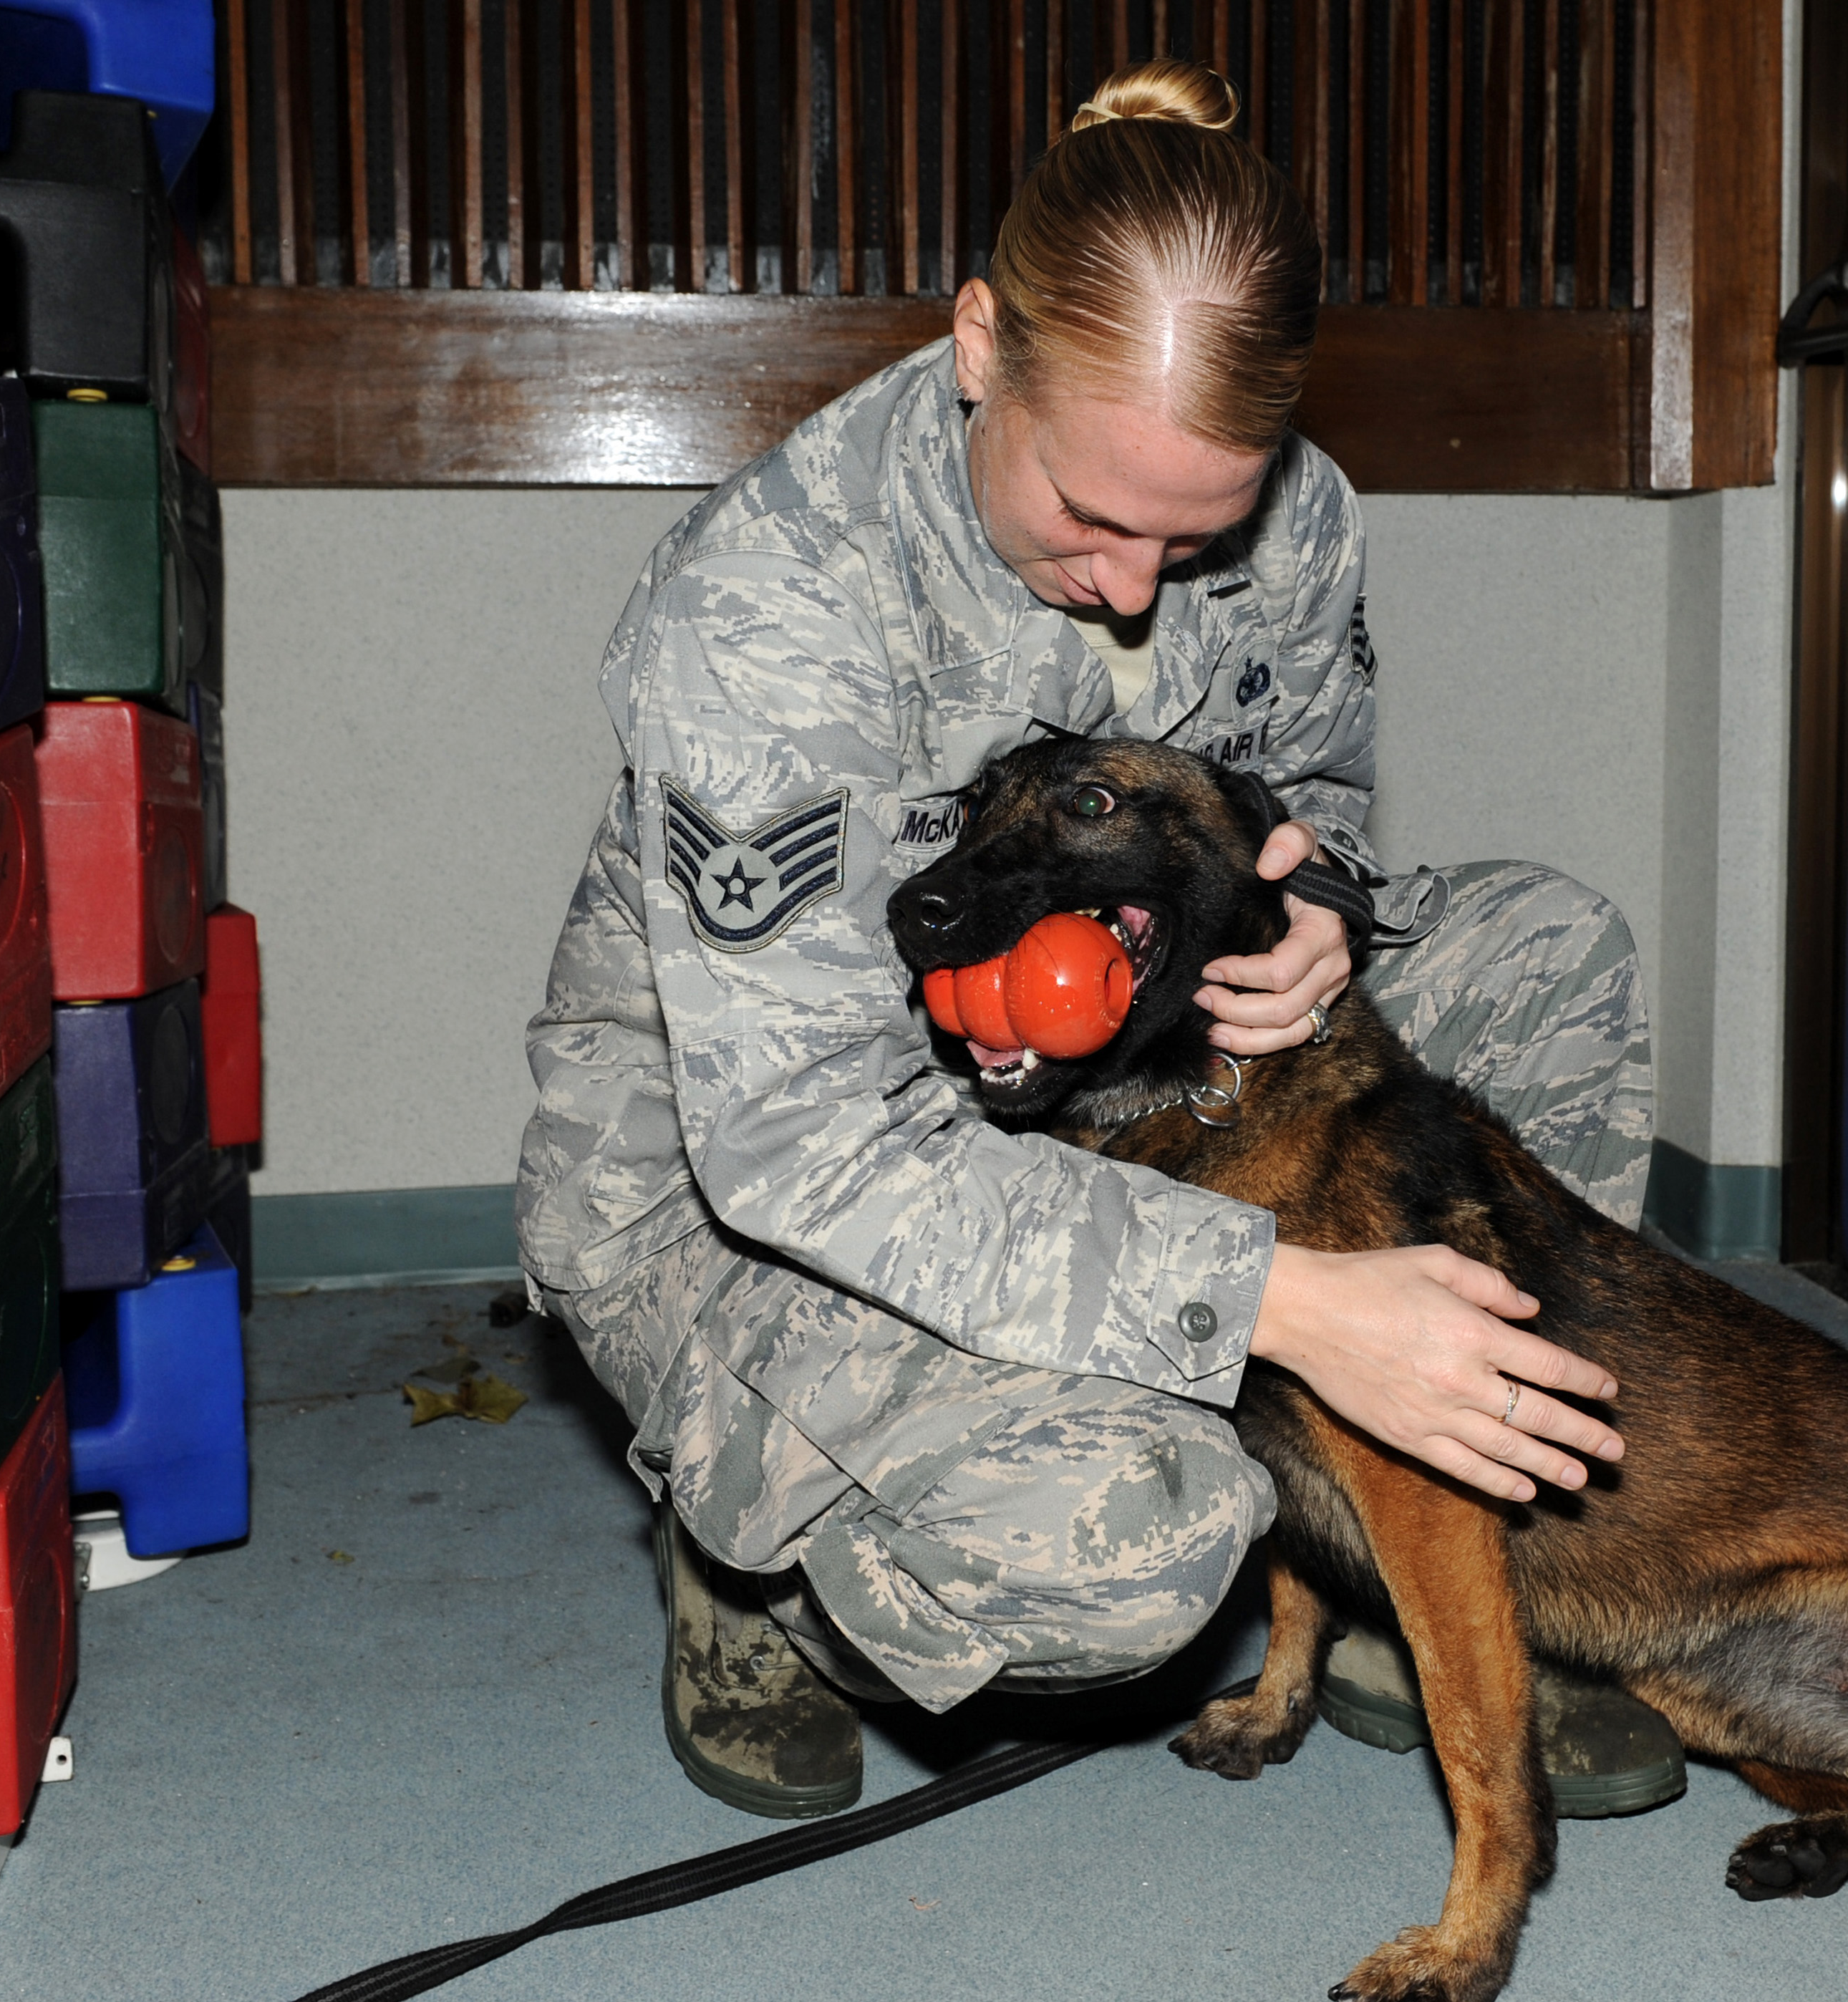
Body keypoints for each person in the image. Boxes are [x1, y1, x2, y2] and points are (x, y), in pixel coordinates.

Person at [516, 58, 1673, 1822]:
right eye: (1092, 516)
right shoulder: (773, 605)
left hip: (1105, 1067)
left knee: (1547, 954)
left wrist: (1320, 914)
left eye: (1192, 536)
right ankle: (761, 1527)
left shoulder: (1299, 512)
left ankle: (1423, 1548)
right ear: (980, 342)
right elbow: (807, 1144)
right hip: (755, 1169)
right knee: (1134, 1540)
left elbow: (1314, 798)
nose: (1135, 587)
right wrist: (1282, 1302)